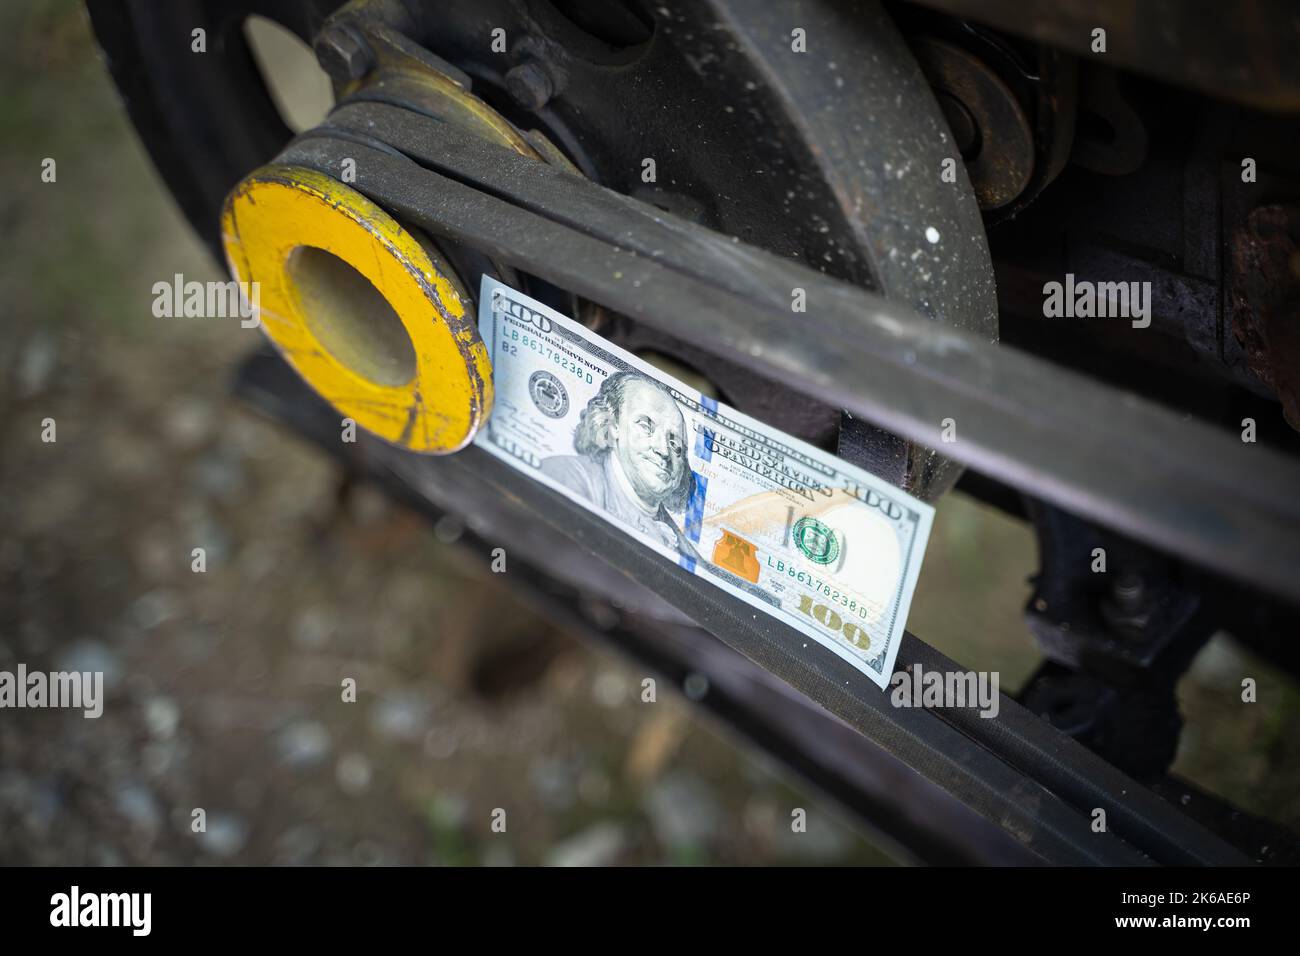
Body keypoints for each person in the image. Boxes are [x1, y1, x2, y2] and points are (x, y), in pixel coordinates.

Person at [541, 371, 700, 558]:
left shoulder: (687, 552)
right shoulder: (564, 477)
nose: (664, 451)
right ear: (612, 424)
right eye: (646, 426)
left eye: (675, 443)